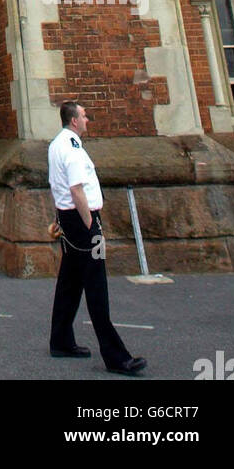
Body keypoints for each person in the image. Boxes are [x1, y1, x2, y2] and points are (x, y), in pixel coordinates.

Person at [48, 100, 147, 375]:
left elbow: (56, 186)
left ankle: (61, 341)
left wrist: (58, 217)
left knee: (69, 282)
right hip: (84, 221)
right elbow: (76, 189)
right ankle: (116, 357)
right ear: (74, 121)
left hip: (68, 220)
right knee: (96, 286)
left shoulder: (56, 144)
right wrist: (91, 225)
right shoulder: (74, 149)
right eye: (84, 116)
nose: (88, 120)